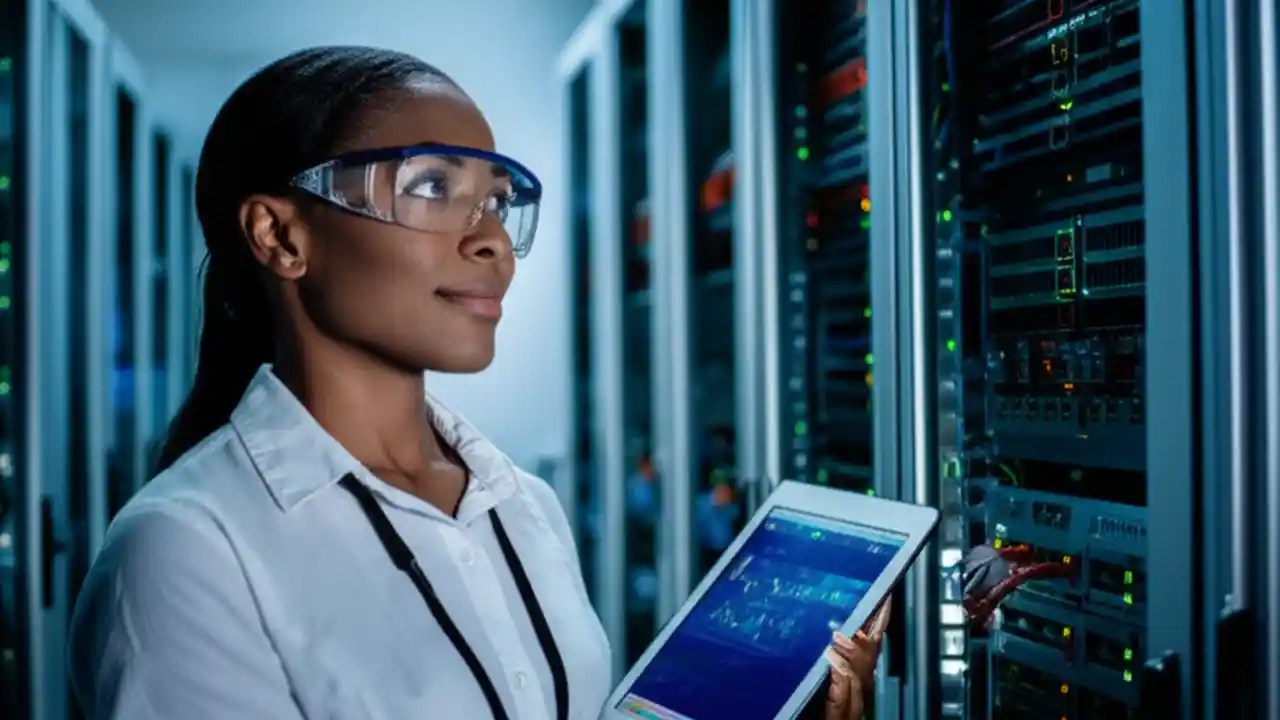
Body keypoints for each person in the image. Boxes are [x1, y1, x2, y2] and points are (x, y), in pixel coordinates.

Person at [66, 46, 884, 719]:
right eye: (431, 187)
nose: (492, 239)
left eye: (497, 199)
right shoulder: (185, 552)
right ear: (280, 235)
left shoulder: (521, 504)